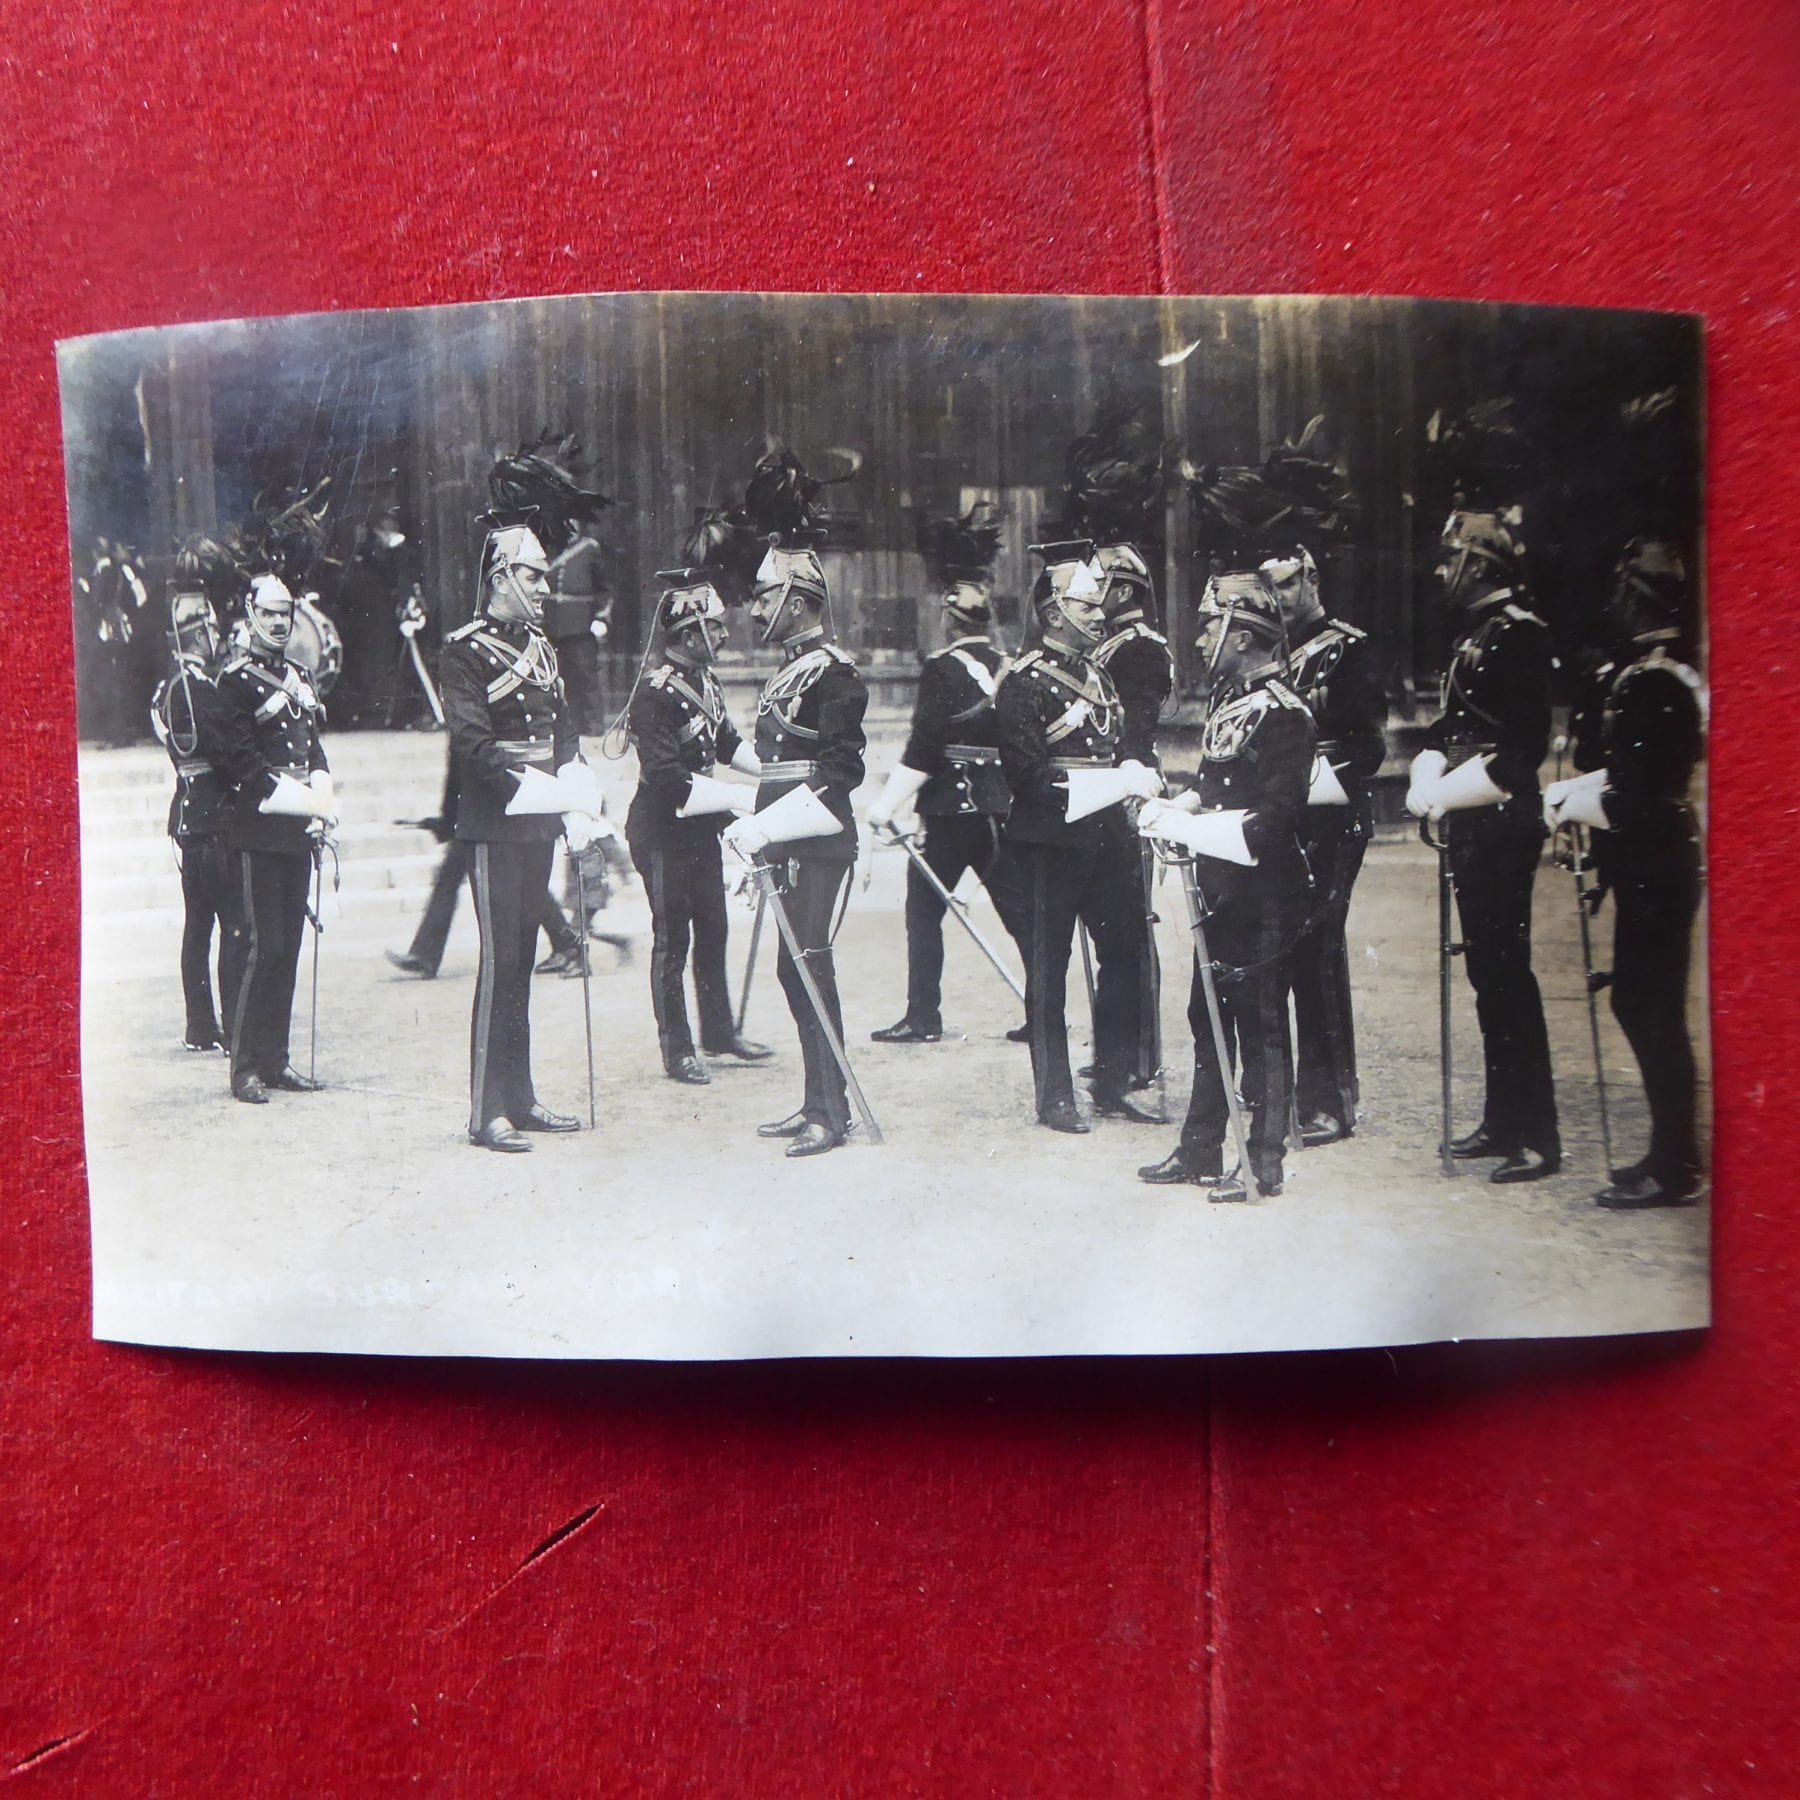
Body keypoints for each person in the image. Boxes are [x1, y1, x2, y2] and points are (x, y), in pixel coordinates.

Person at [1136, 575, 1316, 1197]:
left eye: (1213, 626)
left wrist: (1197, 826)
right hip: (1221, 884)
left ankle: (1262, 1162)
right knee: (1206, 1011)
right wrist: (1175, 807)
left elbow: (1277, 816)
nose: (1205, 636)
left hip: (1265, 888)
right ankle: (1200, 1148)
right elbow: (1216, 785)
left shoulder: (1287, 715)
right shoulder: (1230, 701)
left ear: (1242, 636)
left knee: (1259, 1020)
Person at [1547, 539, 1705, 1207]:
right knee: (1642, 1002)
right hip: (1649, 861)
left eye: (1622, 589)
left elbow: (1637, 793)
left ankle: (1676, 1165)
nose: (1613, 600)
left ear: (1639, 596)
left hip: (1658, 860)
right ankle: (1671, 1155)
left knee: (1651, 1007)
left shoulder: (1656, 680)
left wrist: (1566, 802)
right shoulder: (1646, 674)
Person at [1406, 508, 1561, 1182]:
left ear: (1478, 565)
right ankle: (1503, 1122)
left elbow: (1521, 754)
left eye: (1451, 559)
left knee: (1508, 975)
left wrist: (1445, 792)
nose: (1442, 571)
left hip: (1501, 816)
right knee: (1486, 976)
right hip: (1472, 818)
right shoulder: (1475, 634)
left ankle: (1537, 1135)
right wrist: (1427, 766)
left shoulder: (1521, 636)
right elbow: (1451, 723)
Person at [440, 510, 595, 1152]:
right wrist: (545, 790)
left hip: (539, 826)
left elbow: (562, 730)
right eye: (534, 577)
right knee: (500, 961)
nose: (544, 588)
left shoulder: (544, 649)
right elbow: (474, 745)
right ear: (501, 577)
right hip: (496, 825)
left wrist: (577, 786)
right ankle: (485, 1110)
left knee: (524, 962)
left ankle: (522, 1098)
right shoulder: (463, 652)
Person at [994, 542, 1161, 1134]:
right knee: (1049, 969)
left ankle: (1113, 1081)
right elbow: (1030, 778)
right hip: (1051, 846)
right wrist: (1114, 783)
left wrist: (1137, 782)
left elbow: (1122, 748)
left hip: (1109, 842)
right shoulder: (1021, 684)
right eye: (1087, 607)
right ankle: (1054, 1095)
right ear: (1053, 614)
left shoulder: (1100, 673)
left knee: (1125, 957)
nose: (1100, 615)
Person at [720, 522, 868, 1159]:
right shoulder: (791, 672)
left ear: (799, 602)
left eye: (763, 595)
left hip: (817, 842)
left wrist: (767, 827)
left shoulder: (835, 676)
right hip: (785, 843)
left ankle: (831, 1114)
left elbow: (841, 772)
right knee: (796, 969)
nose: (752, 608)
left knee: (809, 969)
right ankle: (819, 1101)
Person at [865, 503, 1028, 1043]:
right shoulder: (1010, 668)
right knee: (1019, 913)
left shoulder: (942, 668)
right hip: (999, 809)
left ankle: (924, 1017)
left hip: (951, 813)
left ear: (948, 617)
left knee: (922, 912)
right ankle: (1042, 1010)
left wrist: (886, 805)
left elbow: (924, 749)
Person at [623, 566, 771, 1084]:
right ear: (689, 635)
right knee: (672, 940)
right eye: (716, 627)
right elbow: (665, 778)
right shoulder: (654, 693)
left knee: (714, 929)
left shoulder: (704, 680)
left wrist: (773, 776)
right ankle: (677, 1049)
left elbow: (726, 744)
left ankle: (719, 1033)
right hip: (661, 832)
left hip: (699, 826)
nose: (726, 635)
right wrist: (742, 798)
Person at [1263, 545, 1387, 1145]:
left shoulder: (1348, 650)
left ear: (1311, 579)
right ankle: (1284, 1090)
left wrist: (1299, 782)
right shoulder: (1265, 651)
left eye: (1285, 587)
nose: (1276, 601)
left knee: (1317, 953)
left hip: (1331, 820)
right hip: (1283, 820)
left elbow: (1369, 748)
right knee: (1278, 950)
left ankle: (1330, 1101)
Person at [207, 573, 338, 1104]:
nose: (280, 622)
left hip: (295, 829)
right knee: (261, 946)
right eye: (270, 613)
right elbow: (236, 758)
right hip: (257, 827)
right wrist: (301, 797)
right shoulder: (234, 682)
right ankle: (244, 1066)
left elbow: (313, 747)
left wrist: (323, 793)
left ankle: (277, 1059)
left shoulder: (300, 675)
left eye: (286, 613)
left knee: (289, 947)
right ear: (250, 613)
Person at [385, 746, 589, 981]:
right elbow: (458, 774)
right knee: (451, 878)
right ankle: (425, 954)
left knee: (528, 887)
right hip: (477, 814)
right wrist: (448, 820)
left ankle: (569, 944)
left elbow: (469, 768)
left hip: (495, 813)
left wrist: (448, 821)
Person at [149, 589, 238, 1052]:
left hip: (187, 813)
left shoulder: (166, 690)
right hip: (215, 818)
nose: (217, 640)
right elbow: (226, 754)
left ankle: (200, 1025)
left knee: (198, 925)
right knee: (230, 923)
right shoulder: (200, 688)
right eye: (213, 632)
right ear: (200, 634)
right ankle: (230, 1024)